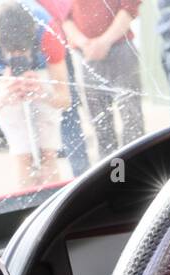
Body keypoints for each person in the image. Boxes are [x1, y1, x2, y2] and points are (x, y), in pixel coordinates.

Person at [0, 0, 71, 189]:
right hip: (2, 80)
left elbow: (64, 100)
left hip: (41, 75)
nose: (17, 57)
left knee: (48, 155)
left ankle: (52, 200)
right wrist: (2, 98)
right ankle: (26, 205)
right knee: (22, 155)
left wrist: (44, 94)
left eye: (23, 51)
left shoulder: (48, 30)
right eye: (10, 52)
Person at [63, 0, 145, 158]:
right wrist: (86, 44)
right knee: (100, 126)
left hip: (121, 48)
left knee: (132, 119)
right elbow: (64, 17)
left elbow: (129, 7)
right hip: (85, 53)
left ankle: (134, 174)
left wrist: (104, 41)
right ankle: (113, 178)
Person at [36, 0, 91, 176]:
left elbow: (63, 11)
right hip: (25, 45)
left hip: (55, 42)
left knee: (68, 112)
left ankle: (80, 175)